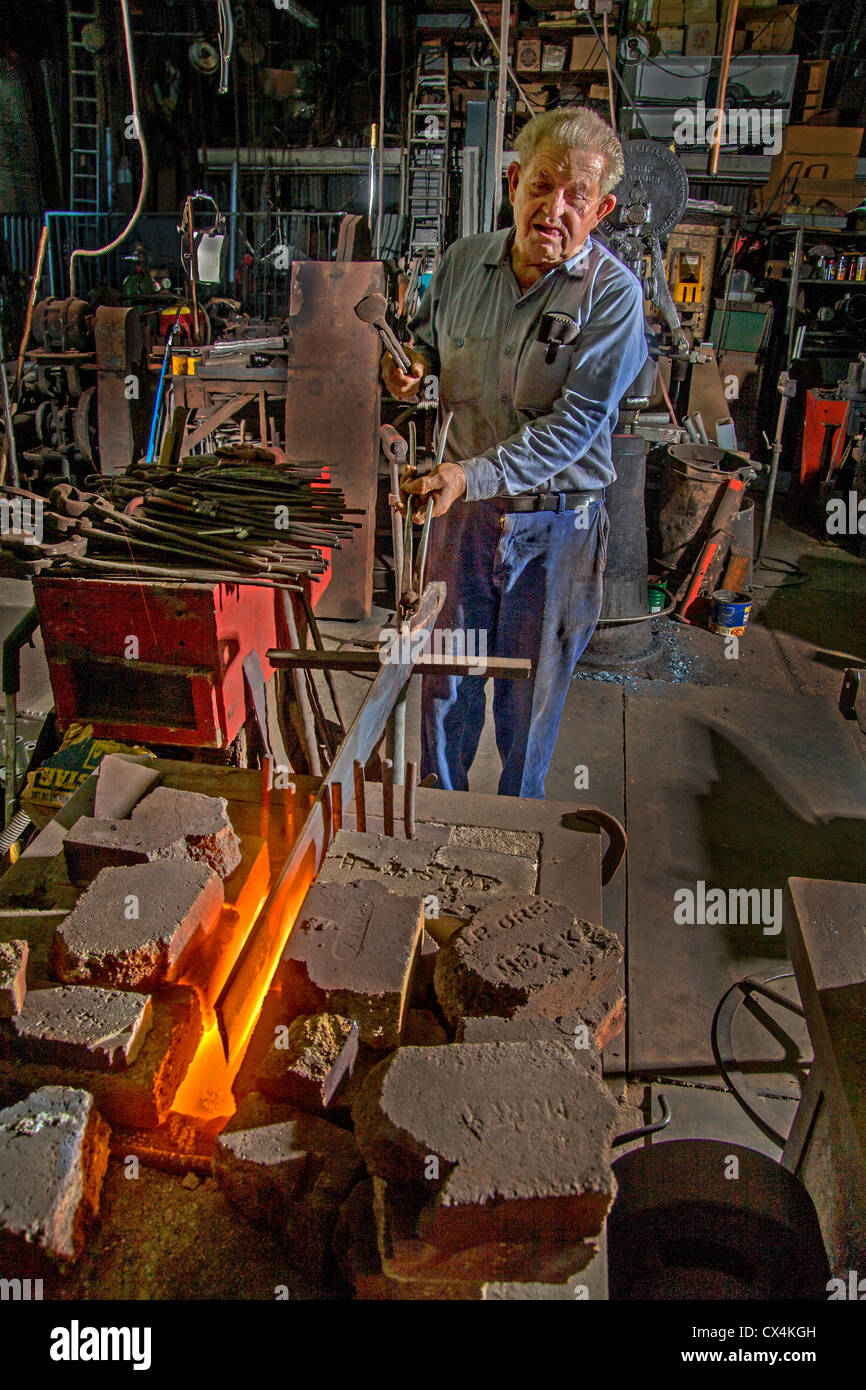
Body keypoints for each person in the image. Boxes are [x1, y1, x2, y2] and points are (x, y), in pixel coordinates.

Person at [382, 106, 648, 799]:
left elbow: (576, 426)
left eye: (575, 197)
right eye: (540, 186)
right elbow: (426, 344)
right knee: (444, 684)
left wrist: (468, 475)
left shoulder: (614, 299)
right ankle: (435, 822)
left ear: (602, 210)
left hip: (556, 531)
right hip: (462, 521)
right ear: (512, 182)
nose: (553, 209)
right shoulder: (464, 262)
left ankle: (511, 840)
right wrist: (408, 364)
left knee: (526, 702)